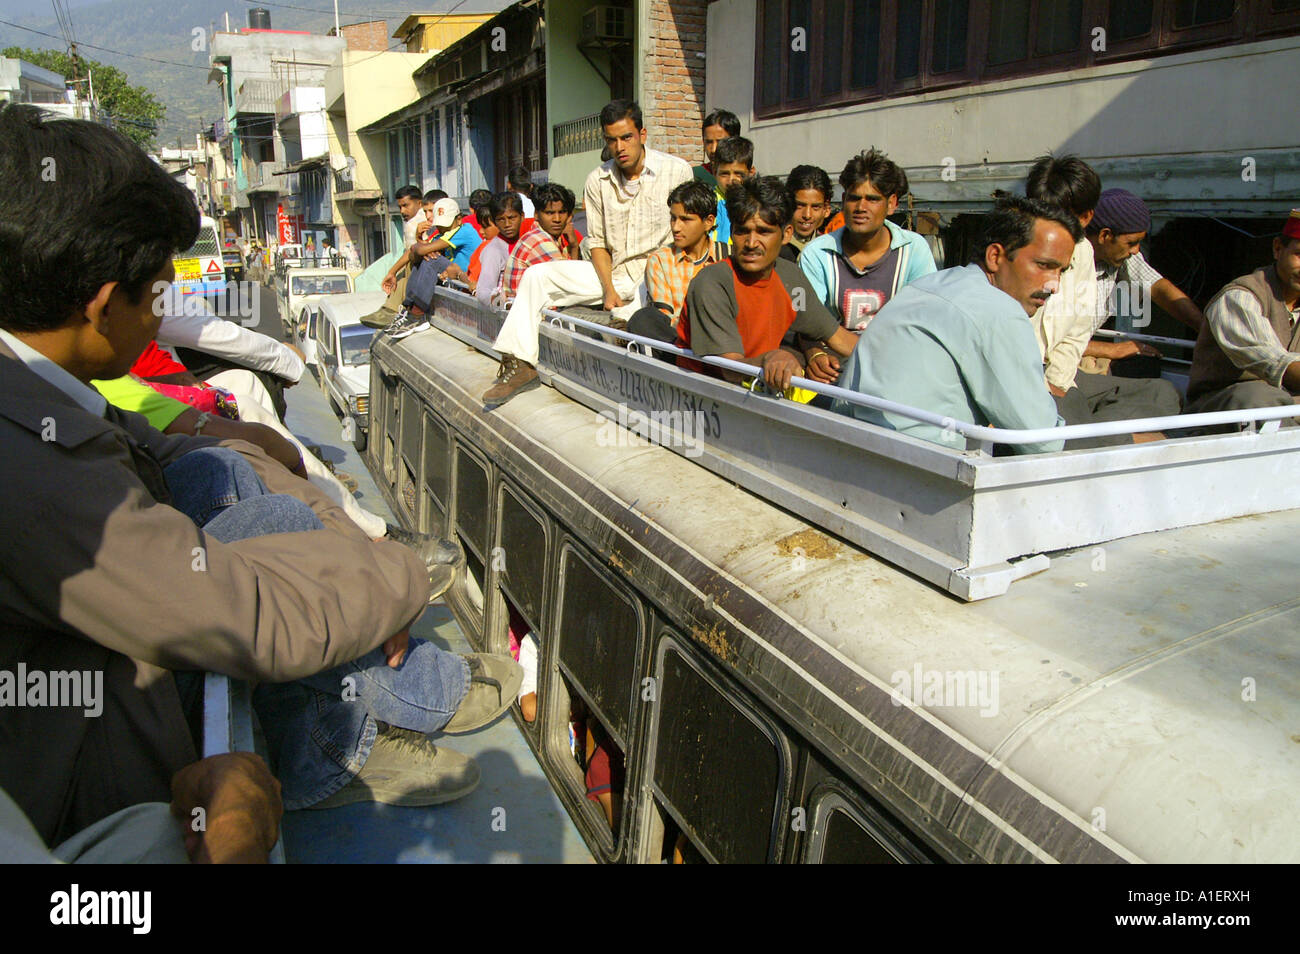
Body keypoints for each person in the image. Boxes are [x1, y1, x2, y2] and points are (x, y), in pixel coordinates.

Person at [0, 104, 521, 846]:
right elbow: (240, 612)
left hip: (108, 672)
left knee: (236, 479)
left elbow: (174, 456)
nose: (162, 313)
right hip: (94, 766)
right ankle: (358, 735)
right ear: (102, 305)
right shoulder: (32, 466)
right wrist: (396, 573)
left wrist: (251, 456)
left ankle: (396, 697)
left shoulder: (34, 388)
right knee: (276, 548)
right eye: (155, 292)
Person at [481, 99, 693, 405]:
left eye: (627, 137)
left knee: (633, 318)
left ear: (642, 134)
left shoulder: (676, 171)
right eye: (612, 140)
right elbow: (597, 243)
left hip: (657, 273)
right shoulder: (598, 180)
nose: (620, 147)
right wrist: (607, 289)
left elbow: (685, 232)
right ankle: (521, 363)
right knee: (538, 276)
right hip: (615, 273)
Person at [832, 196, 1078, 454]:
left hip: (859, 450)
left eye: (1062, 271)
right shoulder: (998, 310)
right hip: (929, 468)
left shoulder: (927, 286)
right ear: (995, 257)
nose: (1054, 285)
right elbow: (1042, 443)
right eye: (1044, 266)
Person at [1025, 157, 1179, 447]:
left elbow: (1076, 330)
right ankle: (1111, 438)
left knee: (1163, 393)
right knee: (1064, 441)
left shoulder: (1084, 253)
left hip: (1059, 375)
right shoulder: (1014, 246)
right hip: (1021, 377)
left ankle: (1098, 433)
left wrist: (1057, 382)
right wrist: (1113, 350)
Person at [675, 176, 858, 393]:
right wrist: (770, 358)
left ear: (786, 234)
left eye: (764, 232)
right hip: (707, 397)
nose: (751, 243)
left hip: (759, 390)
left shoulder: (791, 279)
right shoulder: (713, 283)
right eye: (742, 231)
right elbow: (729, 368)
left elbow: (836, 336)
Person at [798, 149, 935, 385]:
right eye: (853, 198)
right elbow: (804, 319)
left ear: (891, 204)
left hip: (896, 370)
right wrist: (814, 353)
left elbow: (926, 321)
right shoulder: (817, 253)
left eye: (872, 199)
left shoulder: (914, 250)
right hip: (833, 373)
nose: (861, 207)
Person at [1184, 210, 1300, 419]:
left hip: (1288, 402)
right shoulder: (1239, 297)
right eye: (1299, 254)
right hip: (1225, 404)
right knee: (1258, 397)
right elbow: (1274, 361)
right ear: (1277, 249)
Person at [1083, 188, 1204, 374]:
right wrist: (1113, 349)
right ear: (1104, 236)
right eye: (1131, 243)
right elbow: (1042, 341)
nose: (1136, 251)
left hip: (1081, 351)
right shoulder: (1063, 264)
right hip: (1051, 359)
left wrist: (1206, 329)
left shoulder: (1120, 258)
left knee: (1145, 366)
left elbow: (1158, 288)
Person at [626, 179, 724, 351]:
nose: (676, 227)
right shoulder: (660, 260)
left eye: (685, 219)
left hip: (720, 341)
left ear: (708, 221)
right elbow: (665, 318)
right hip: (680, 342)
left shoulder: (726, 256)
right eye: (673, 218)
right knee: (643, 319)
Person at [500, 183, 584, 300]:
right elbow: (571, 286)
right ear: (536, 215)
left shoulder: (551, 238)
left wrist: (574, 246)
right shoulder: (540, 242)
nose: (557, 219)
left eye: (562, 212)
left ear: (569, 216)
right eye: (549, 213)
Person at [471, 191, 529, 306]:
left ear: (522, 216)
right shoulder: (494, 250)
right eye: (501, 219)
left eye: (512, 218)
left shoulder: (527, 242)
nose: (507, 224)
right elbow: (483, 292)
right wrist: (502, 301)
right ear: (494, 221)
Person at [780, 164, 836, 262]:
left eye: (815, 207)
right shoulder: (775, 247)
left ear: (826, 209)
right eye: (800, 205)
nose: (807, 215)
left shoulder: (831, 251)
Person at [379, 184, 426, 297]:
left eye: (406, 205)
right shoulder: (423, 218)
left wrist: (392, 271)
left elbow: (411, 251)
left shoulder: (413, 223)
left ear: (419, 203)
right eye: (400, 207)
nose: (402, 211)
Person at [709, 135, 756, 246]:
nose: (731, 181)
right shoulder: (707, 203)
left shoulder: (757, 204)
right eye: (724, 174)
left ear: (751, 173)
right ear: (715, 172)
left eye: (738, 174)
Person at [693, 108, 740, 190]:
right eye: (709, 142)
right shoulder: (694, 176)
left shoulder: (745, 178)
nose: (713, 149)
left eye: (720, 142)